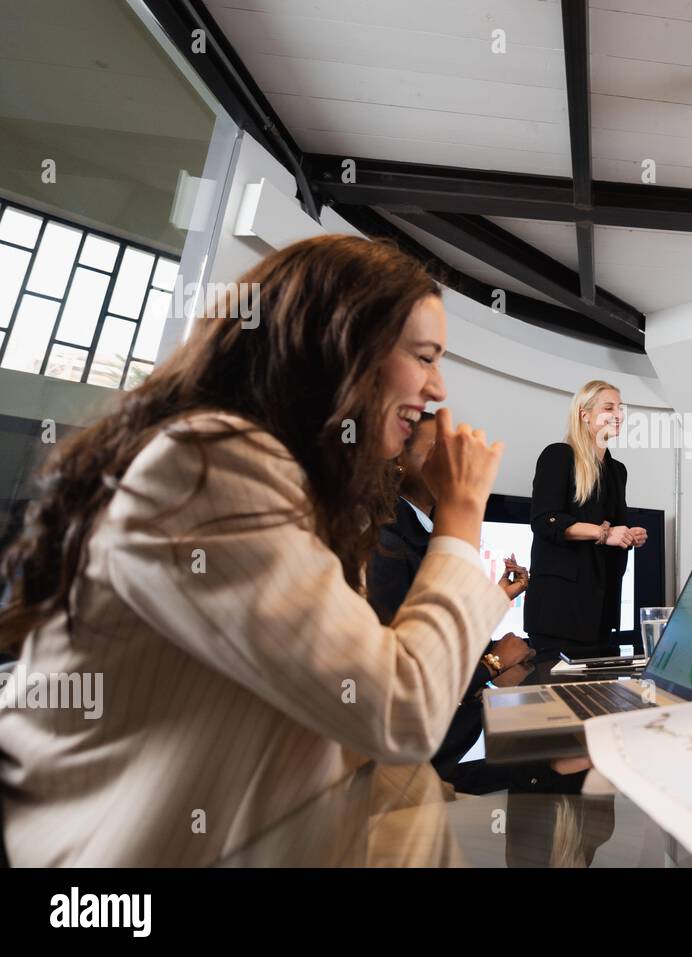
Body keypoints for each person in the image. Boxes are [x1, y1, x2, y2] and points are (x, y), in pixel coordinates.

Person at [0, 235, 509, 866]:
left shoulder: (289, 484)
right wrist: (461, 515)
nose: (437, 389)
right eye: (426, 357)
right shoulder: (208, 465)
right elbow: (399, 709)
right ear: (342, 343)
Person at [367, 412, 534, 793]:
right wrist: (492, 664)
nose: (456, 460)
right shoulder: (386, 541)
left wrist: (497, 603)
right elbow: (406, 677)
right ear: (399, 460)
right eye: (440, 450)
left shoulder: (426, 534)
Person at [525, 381, 646, 659]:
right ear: (584, 414)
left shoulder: (617, 471)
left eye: (621, 408)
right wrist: (604, 533)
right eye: (608, 407)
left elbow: (614, 529)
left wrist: (628, 536)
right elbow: (545, 520)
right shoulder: (558, 455)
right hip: (559, 615)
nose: (619, 414)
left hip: (602, 614)